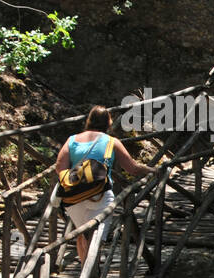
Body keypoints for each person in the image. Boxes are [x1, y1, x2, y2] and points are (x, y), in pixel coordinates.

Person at [54, 105, 155, 264]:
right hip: (100, 195)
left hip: (73, 197)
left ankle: (85, 274)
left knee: (82, 234)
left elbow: (60, 168)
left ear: (89, 120)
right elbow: (132, 168)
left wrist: (80, 178)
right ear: (108, 122)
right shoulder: (111, 141)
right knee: (95, 240)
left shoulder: (72, 140)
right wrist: (153, 170)